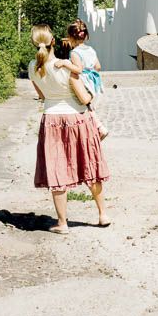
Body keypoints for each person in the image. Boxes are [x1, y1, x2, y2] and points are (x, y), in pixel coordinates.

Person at [29, 24, 110, 233]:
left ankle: (62, 223)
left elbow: (42, 95)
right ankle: (102, 214)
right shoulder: (65, 68)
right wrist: (92, 96)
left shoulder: (32, 68)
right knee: (89, 165)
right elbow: (83, 97)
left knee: (58, 171)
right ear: (54, 42)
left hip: (51, 121)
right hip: (77, 119)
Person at [53, 20, 109, 140]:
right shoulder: (91, 50)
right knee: (89, 106)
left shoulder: (75, 53)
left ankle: (100, 128)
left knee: (86, 107)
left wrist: (65, 63)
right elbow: (98, 67)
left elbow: (78, 69)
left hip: (83, 82)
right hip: (94, 82)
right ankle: (95, 129)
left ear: (70, 37)